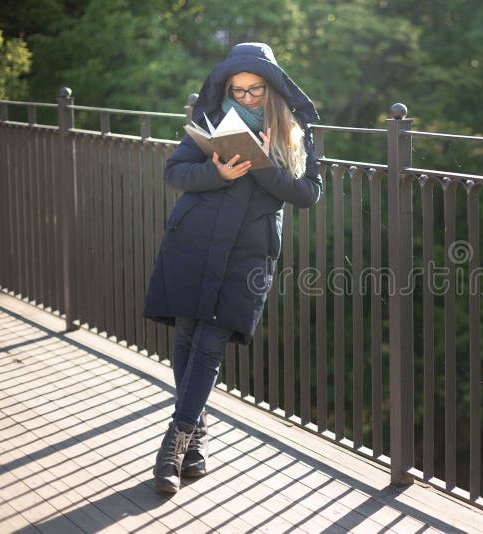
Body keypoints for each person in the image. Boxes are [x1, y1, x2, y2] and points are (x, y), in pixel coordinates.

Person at [143, 42, 321, 494]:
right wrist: (215, 174)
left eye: (254, 90)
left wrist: (262, 165)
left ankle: (174, 445)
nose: (245, 98)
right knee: (186, 335)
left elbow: (307, 194)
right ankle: (195, 440)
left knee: (210, 345)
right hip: (193, 240)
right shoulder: (211, 121)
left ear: (272, 87)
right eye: (237, 90)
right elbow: (174, 172)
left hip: (247, 252)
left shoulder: (295, 129)